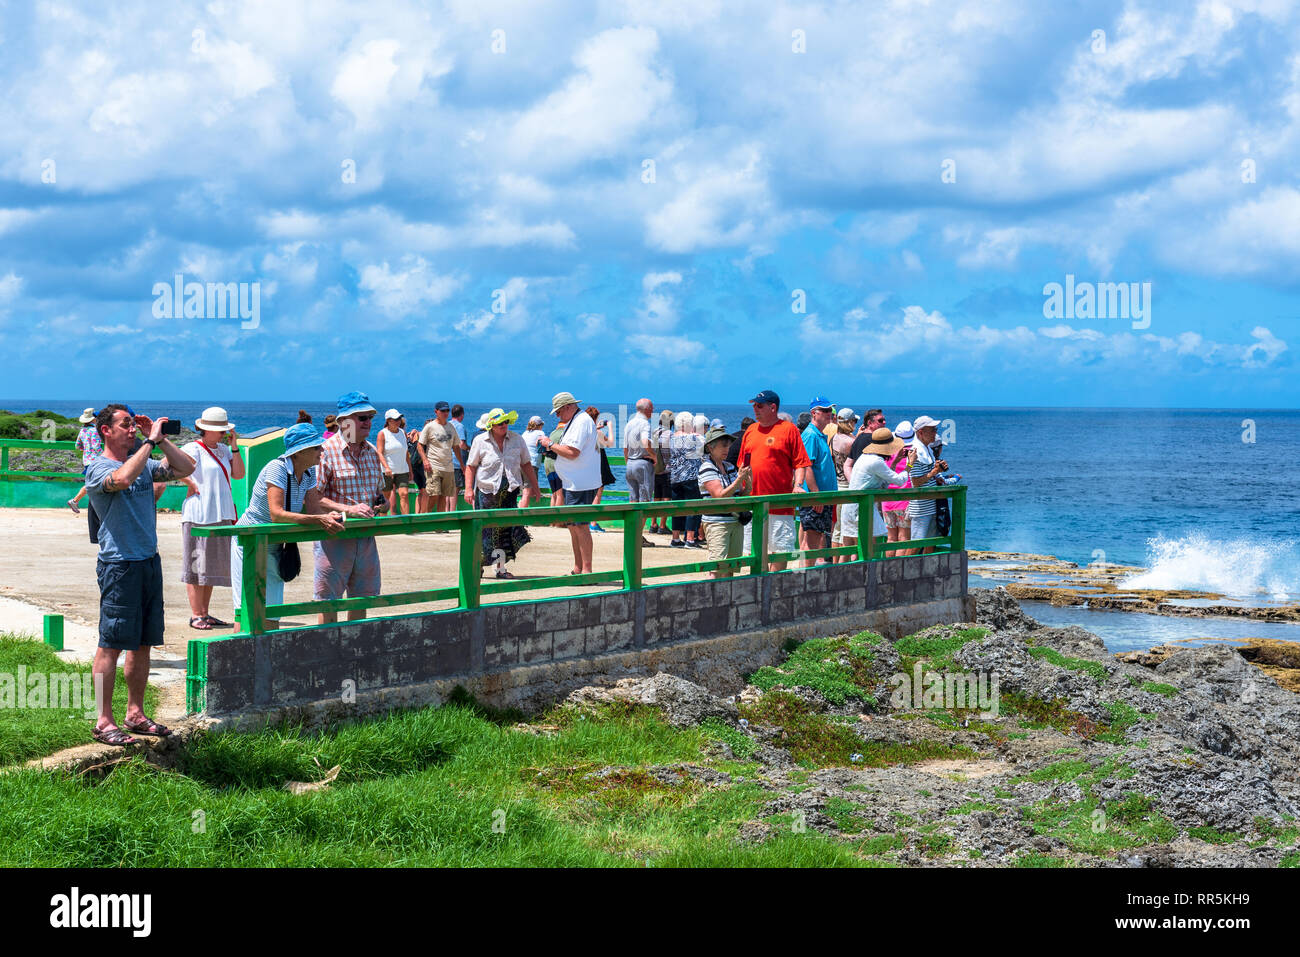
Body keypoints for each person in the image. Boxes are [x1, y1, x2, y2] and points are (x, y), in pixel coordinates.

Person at [84, 405, 196, 746]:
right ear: (106, 430)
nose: (131, 429)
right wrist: (148, 442)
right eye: (125, 424)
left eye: (134, 424)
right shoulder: (97, 468)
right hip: (119, 565)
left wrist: (160, 442)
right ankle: (104, 721)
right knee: (111, 643)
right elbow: (122, 479)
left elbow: (187, 467)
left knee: (144, 642)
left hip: (148, 561)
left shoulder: (146, 463)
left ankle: (135, 713)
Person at [231, 423, 351, 628]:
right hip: (250, 542)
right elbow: (276, 514)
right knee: (247, 611)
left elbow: (314, 508)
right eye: (316, 447)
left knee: (272, 611)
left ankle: (264, 657)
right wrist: (319, 520)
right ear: (298, 452)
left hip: (275, 544)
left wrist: (328, 515)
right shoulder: (276, 469)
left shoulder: (309, 472)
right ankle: (240, 656)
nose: (321, 451)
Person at [314, 391, 383, 624]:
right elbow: (314, 499)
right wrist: (349, 510)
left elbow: (377, 494)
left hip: (365, 539)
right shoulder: (325, 452)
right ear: (344, 422)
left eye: (370, 417)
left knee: (362, 600)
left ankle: (354, 650)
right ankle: (325, 650)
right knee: (328, 601)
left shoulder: (372, 453)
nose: (368, 422)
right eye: (362, 417)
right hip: (334, 539)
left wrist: (381, 503)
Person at [178, 407, 244, 630]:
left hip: (221, 512)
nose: (223, 433)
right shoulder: (193, 448)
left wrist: (235, 447)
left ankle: (205, 613)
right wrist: (192, 484)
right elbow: (176, 467)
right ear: (205, 429)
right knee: (197, 565)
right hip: (199, 513)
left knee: (211, 566)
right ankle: (196, 614)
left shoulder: (225, 450)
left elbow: (238, 474)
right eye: (220, 430)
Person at [737, 390, 812, 572]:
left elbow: (801, 462)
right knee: (753, 553)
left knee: (780, 552)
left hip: (780, 505)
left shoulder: (788, 429)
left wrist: (798, 485)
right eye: (754, 405)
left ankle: (773, 588)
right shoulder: (751, 430)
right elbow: (742, 464)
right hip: (753, 503)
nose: (755, 409)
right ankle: (758, 587)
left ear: (773, 407)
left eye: (759, 405)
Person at [464, 408, 540, 579]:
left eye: (506, 422)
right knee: (485, 532)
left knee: (506, 532)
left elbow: (526, 464)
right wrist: (468, 489)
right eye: (500, 423)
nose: (503, 425)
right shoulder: (480, 441)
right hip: (486, 493)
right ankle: (478, 564)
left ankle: (500, 569)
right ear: (491, 425)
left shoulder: (517, 439)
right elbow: (471, 466)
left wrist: (535, 486)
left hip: (510, 493)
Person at [537, 392, 599, 575]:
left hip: (579, 482)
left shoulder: (580, 422)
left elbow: (573, 452)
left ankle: (586, 571)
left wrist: (549, 444)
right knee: (573, 526)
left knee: (580, 526)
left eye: (558, 411)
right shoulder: (578, 420)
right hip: (574, 481)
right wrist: (553, 450)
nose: (557, 415)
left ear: (568, 407)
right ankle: (578, 568)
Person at [840, 428, 914, 556]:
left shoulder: (865, 457)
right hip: (862, 510)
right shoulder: (876, 462)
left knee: (848, 550)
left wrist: (895, 462)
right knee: (868, 548)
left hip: (850, 506)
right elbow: (900, 481)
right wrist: (910, 465)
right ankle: (866, 575)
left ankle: (840, 575)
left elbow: (884, 482)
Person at [697, 427, 752, 578]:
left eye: (728, 445)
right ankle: (712, 597)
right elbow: (719, 495)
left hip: (735, 521)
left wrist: (748, 483)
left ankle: (727, 598)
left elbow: (738, 495)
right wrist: (739, 480)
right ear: (710, 447)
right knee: (716, 565)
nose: (727, 449)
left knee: (731, 566)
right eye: (723, 445)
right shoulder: (706, 467)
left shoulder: (729, 467)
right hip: (717, 523)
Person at [903, 415, 949, 555]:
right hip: (920, 507)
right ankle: (902, 571)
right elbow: (915, 482)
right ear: (921, 432)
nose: (935, 432)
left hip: (929, 504)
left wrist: (937, 474)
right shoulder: (916, 451)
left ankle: (922, 571)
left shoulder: (926, 449)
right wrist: (934, 472)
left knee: (930, 543)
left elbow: (926, 475)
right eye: (932, 430)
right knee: (916, 544)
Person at [798, 398, 835, 568]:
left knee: (812, 537)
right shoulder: (811, 435)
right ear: (814, 413)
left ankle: (804, 573)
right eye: (825, 411)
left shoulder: (818, 435)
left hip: (821, 497)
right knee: (811, 540)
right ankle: (804, 575)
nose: (830, 414)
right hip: (816, 498)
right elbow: (806, 466)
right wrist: (815, 494)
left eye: (830, 411)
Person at [668, 411, 704, 549]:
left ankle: (675, 538)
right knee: (692, 507)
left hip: (675, 477)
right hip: (691, 476)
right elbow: (703, 453)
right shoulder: (694, 438)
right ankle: (690, 538)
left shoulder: (671, 439)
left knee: (676, 508)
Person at [623, 398, 657, 546]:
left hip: (630, 463)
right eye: (652, 408)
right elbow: (645, 441)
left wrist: (628, 461)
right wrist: (653, 455)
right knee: (644, 502)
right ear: (647, 409)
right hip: (642, 464)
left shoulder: (629, 423)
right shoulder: (645, 424)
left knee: (633, 501)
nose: (653, 411)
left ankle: (631, 534)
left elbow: (625, 447)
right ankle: (637, 537)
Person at [419, 401, 459, 517]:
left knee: (443, 496)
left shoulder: (451, 427)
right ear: (436, 412)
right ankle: (427, 518)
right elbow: (420, 445)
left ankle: (440, 523)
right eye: (443, 411)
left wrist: (462, 465)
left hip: (448, 467)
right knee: (434, 494)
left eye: (447, 411)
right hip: (433, 466)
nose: (445, 413)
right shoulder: (430, 427)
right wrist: (425, 460)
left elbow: (456, 446)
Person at [881, 420, 915, 552]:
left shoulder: (888, 453)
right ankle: (898, 571)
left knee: (891, 538)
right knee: (903, 538)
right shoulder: (912, 454)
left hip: (887, 501)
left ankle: (889, 569)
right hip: (904, 501)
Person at [830, 409, 857, 561]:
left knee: (838, 528)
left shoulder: (834, 438)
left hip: (837, 483)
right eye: (854, 421)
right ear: (848, 422)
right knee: (848, 529)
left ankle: (836, 561)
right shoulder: (850, 442)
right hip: (848, 485)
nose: (855, 424)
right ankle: (844, 562)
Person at [376, 409, 411, 516]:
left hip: (402, 470)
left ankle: (406, 523)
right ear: (388, 420)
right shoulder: (382, 434)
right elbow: (380, 453)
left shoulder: (402, 433)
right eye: (395, 419)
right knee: (385, 498)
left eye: (399, 418)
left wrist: (410, 469)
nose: (398, 421)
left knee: (404, 494)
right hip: (388, 471)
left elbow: (406, 452)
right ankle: (383, 523)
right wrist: (386, 467)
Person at [587, 406, 617, 532]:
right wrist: (609, 427)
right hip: (599, 462)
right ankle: (593, 522)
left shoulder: (586, 431)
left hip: (587, 464)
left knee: (587, 494)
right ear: (595, 418)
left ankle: (586, 521)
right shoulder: (597, 433)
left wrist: (596, 427)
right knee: (597, 494)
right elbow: (610, 443)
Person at [68, 407, 101, 516]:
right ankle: (75, 501)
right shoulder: (94, 431)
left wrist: (86, 448)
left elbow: (77, 446)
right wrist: (105, 455)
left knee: (92, 483)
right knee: (93, 483)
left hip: (86, 460)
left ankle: (76, 501)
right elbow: (96, 447)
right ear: (93, 420)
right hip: (95, 461)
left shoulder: (82, 431)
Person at [844, 409, 887, 484]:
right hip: (873, 490)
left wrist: (854, 484)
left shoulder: (858, 438)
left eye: (884, 420)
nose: (884, 422)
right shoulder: (875, 440)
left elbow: (847, 465)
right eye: (880, 420)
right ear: (870, 423)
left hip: (862, 488)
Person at [650, 409, 675, 534]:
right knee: (666, 497)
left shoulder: (654, 431)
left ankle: (653, 524)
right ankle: (662, 525)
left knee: (656, 497)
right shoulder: (670, 434)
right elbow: (672, 453)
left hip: (655, 469)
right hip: (667, 470)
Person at [521, 415, 548, 508]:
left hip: (520, 463)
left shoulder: (525, 433)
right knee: (527, 491)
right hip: (532, 464)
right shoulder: (540, 433)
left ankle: (530, 511)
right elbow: (544, 448)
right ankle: (521, 516)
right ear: (540, 425)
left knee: (527, 488)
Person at [406, 416, 428, 513]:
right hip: (422, 467)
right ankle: (423, 516)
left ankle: (417, 515)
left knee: (420, 492)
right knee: (425, 492)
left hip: (414, 466)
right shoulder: (425, 437)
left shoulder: (416, 435)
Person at [450, 403, 469, 495]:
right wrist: (470, 448)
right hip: (457, 462)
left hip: (447, 461)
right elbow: (461, 444)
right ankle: (453, 509)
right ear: (462, 414)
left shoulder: (447, 424)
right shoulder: (459, 426)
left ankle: (447, 509)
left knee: (448, 490)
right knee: (455, 489)